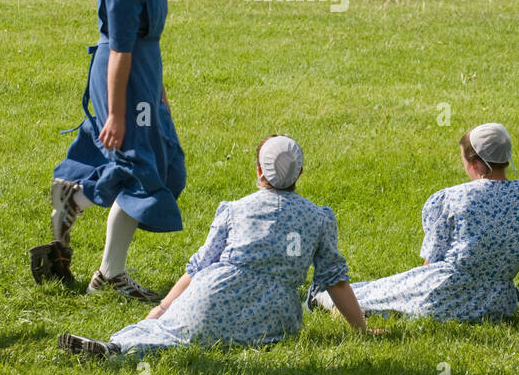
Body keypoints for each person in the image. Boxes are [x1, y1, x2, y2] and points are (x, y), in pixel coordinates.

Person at [56, 135, 368, 360]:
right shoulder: (319, 217)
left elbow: (200, 266)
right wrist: (361, 329)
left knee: (171, 334)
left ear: (259, 172)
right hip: (277, 318)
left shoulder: (235, 210)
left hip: (216, 297)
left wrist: (162, 308)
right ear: (299, 174)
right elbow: (335, 280)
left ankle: (117, 348)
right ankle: (119, 350)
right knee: (199, 340)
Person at [30, 0, 186, 301]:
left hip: (143, 77)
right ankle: (110, 275)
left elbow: (147, 42)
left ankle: (75, 198)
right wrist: (116, 115)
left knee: (164, 167)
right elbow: (119, 49)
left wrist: (159, 93)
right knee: (140, 171)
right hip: (121, 77)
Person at [311, 124, 519, 324]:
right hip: (497, 305)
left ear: (475, 164)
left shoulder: (453, 198)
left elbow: (431, 261)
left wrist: (411, 289)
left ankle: (324, 299)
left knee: (364, 294)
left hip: (443, 297)